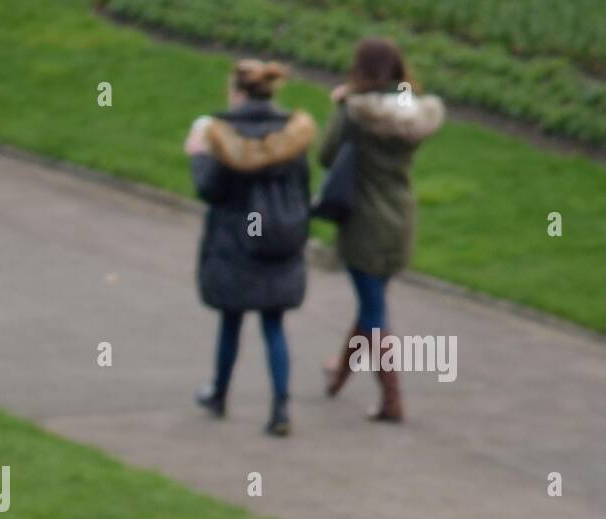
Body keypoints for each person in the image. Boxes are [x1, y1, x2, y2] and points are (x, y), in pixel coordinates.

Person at [187, 60, 316, 437]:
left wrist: (198, 155)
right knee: (273, 325)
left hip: (235, 239)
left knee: (231, 321)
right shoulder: (293, 135)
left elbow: (210, 189)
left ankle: (220, 393)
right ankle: (280, 408)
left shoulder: (226, 136)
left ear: (239, 93)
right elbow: (302, 187)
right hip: (279, 238)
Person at [319, 38, 445, 421]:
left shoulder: (355, 113)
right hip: (400, 218)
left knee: (374, 312)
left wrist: (341, 106)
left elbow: (326, 156)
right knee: (370, 304)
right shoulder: (412, 114)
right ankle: (340, 374)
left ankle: (392, 398)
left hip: (364, 223)